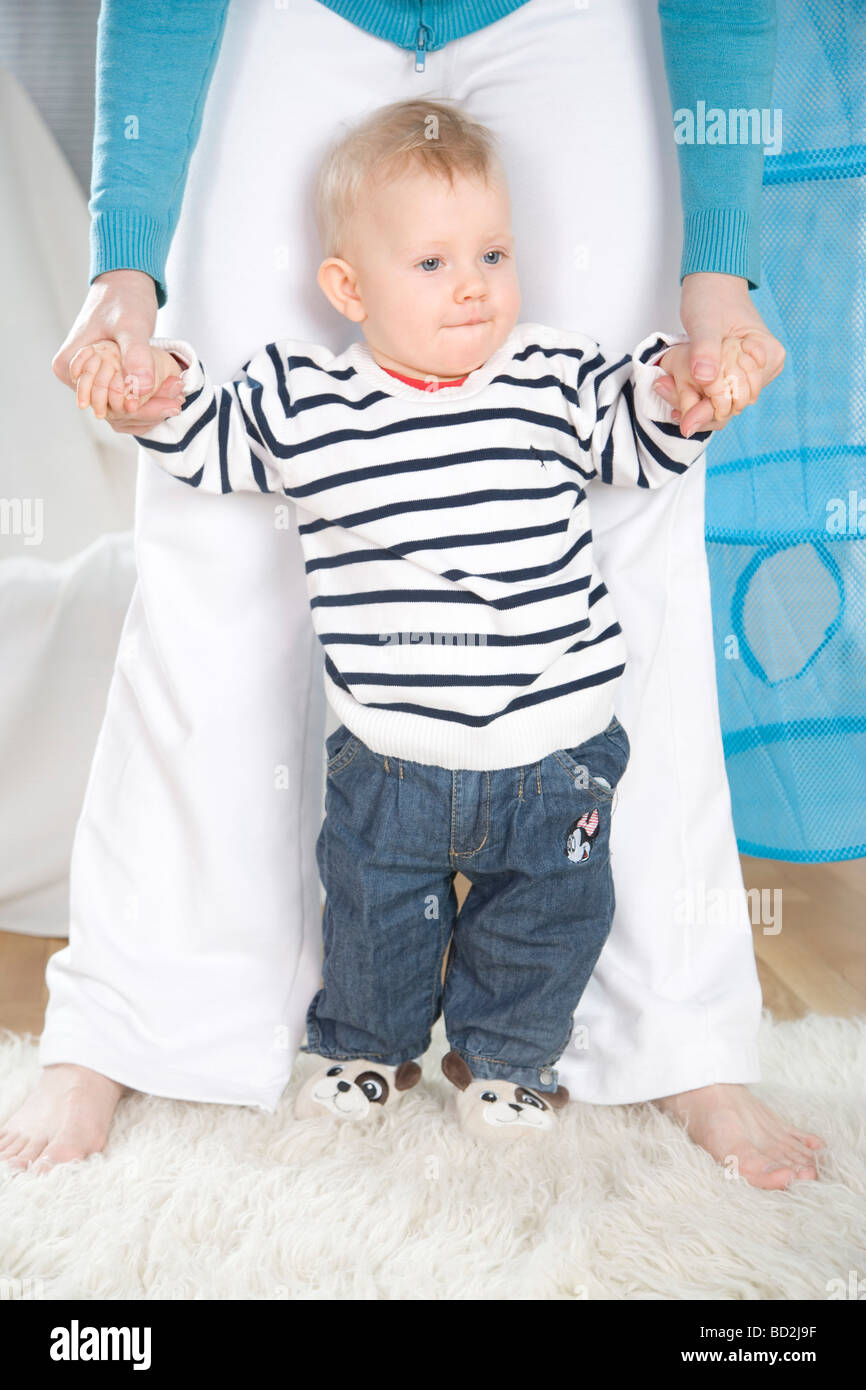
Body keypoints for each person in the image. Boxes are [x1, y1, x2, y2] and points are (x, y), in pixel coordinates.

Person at [2, 0, 822, 1186]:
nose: (477, 283)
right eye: (454, 264)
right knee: (210, 546)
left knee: (627, 522)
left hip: (575, 22)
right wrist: (128, 280)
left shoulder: (540, 368)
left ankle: (671, 1031)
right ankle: (139, 1009)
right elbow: (219, 436)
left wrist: (714, 278)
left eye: (491, 259)